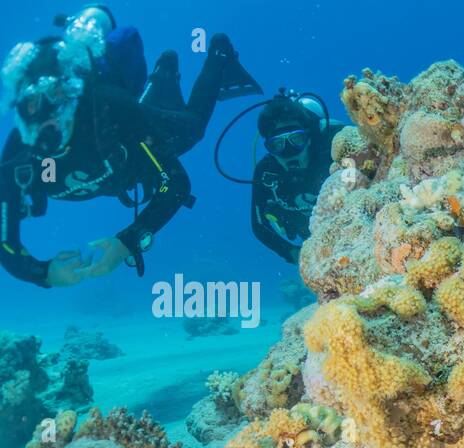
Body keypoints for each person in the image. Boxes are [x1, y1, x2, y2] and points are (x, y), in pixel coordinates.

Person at [0, 6, 261, 287]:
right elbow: (5, 241)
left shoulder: (110, 110)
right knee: (151, 118)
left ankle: (218, 55)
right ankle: (164, 74)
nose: (44, 118)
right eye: (31, 105)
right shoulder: (19, 156)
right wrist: (43, 272)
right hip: (124, 160)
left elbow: (173, 183)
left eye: (55, 97)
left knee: (192, 127)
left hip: (133, 133)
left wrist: (129, 240)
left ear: (72, 92)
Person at [250, 94, 342, 263]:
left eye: (296, 139)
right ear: (269, 149)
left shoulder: (332, 150)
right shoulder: (266, 172)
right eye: (277, 144)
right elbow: (259, 225)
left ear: (308, 138)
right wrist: (292, 253)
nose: (288, 151)